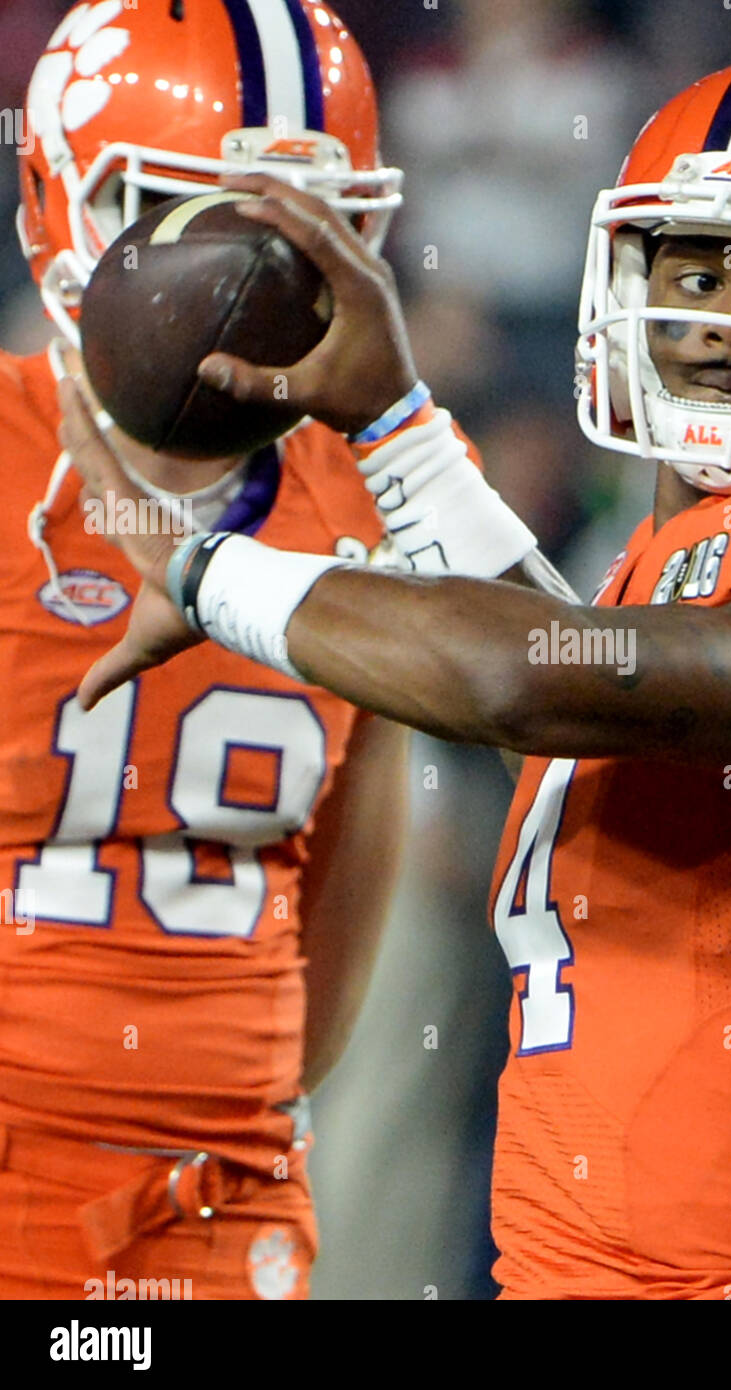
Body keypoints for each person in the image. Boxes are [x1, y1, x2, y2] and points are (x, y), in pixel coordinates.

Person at [64, 56, 731, 1300]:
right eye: (696, 272)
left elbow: (532, 684)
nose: (722, 320)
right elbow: (579, 709)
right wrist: (391, 425)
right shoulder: (666, 568)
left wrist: (214, 573)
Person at [0, 0, 409, 1300]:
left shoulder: (366, 496)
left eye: (291, 238)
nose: (234, 285)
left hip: (217, 1197)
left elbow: (339, 921)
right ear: (56, 204)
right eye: (187, 219)